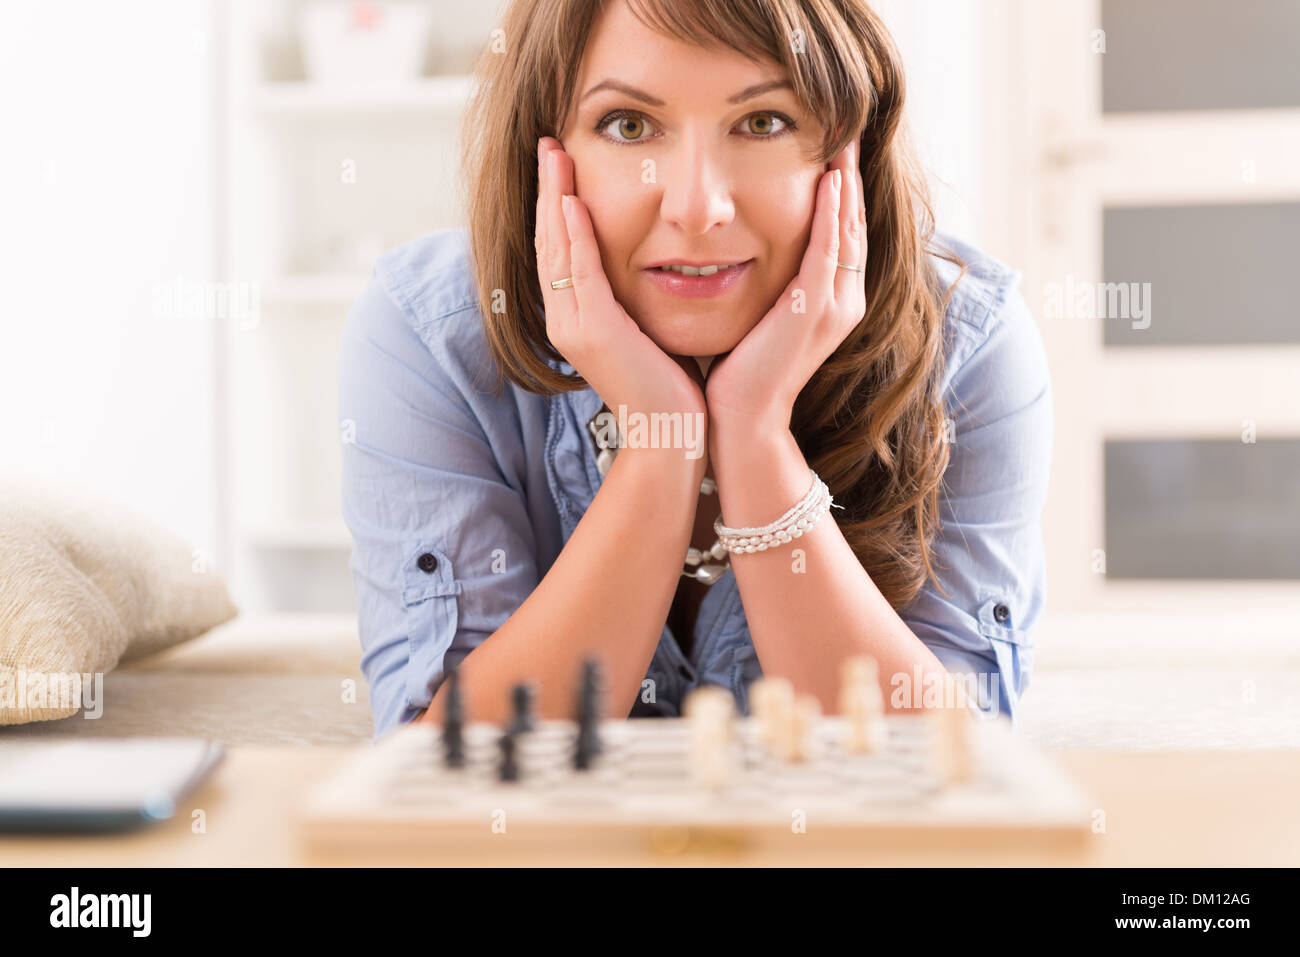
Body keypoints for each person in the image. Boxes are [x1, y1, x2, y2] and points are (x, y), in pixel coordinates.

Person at [337, 0, 1053, 738]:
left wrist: (755, 436)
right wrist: (660, 447)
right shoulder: (430, 337)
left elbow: (948, 778)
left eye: (763, 122)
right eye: (629, 125)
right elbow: (446, 780)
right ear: (546, 155)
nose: (698, 207)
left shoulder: (969, 347)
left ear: (846, 156)